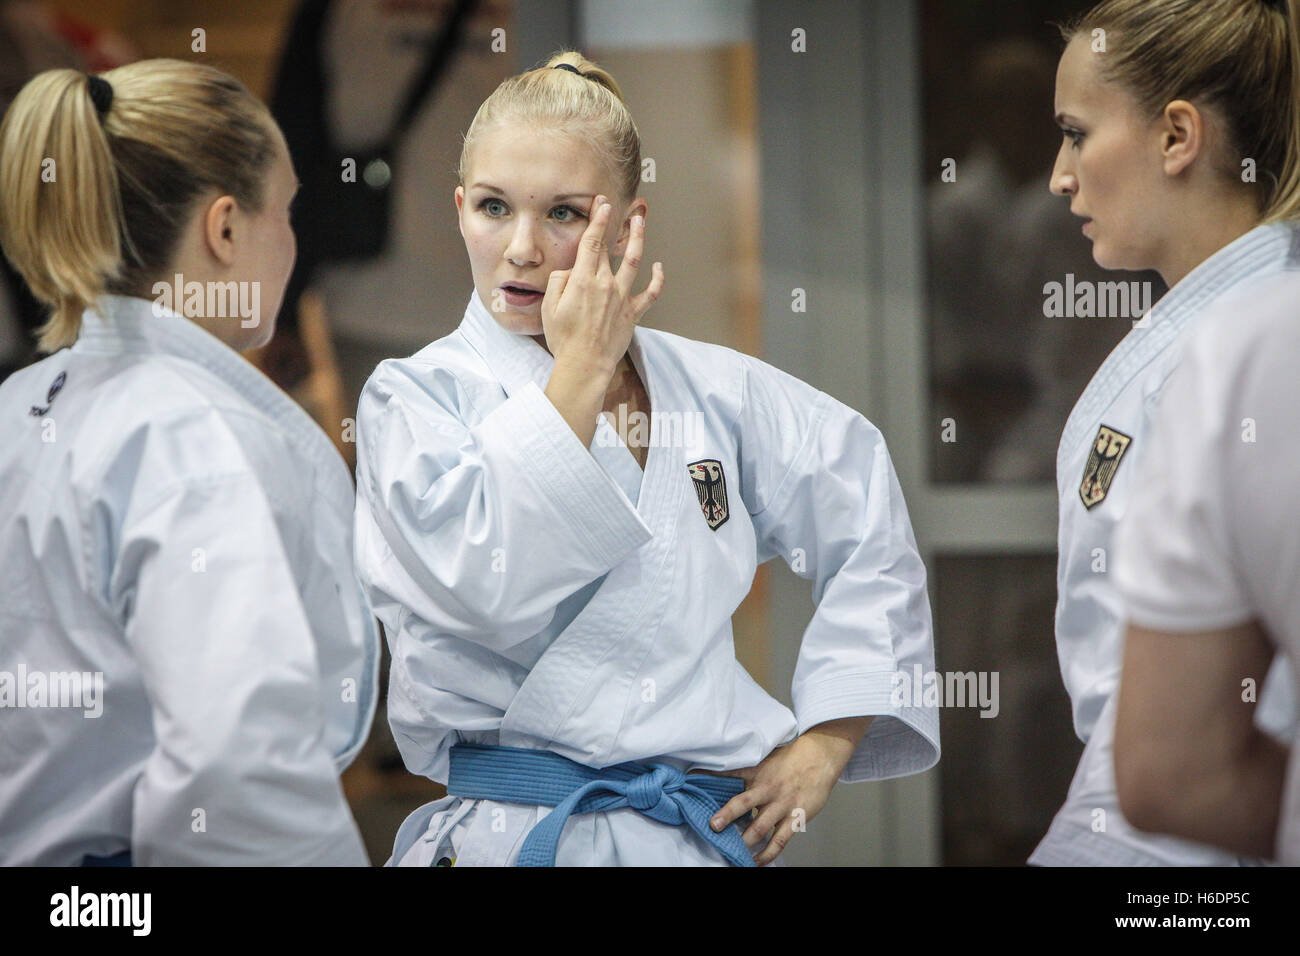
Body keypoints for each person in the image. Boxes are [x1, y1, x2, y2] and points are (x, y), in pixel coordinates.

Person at [354, 51, 940, 867]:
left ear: (627, 225)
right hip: (513, 833)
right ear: (459, 210)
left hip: (689, 836)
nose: (521, 248)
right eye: (494, 206)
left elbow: (864, 506)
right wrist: (582, 371)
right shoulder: (414, 398)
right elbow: (480, 586)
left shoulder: (714, 389)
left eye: (563, 213)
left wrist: (829, 740)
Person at [0, 60, 379, 865]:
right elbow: (237, 774)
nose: (293, 241)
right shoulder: (193, 439)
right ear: (226, 228)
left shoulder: (21, 408)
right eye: (288, 211)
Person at [1030, 0, 1299, 867]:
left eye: (1076, 134)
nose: (1058, 176)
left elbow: (1169, 762)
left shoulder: (1244, 348)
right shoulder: (1226, 328)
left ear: (1178, 136)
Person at [1110, 267, 1300, 864]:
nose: (1063, 181)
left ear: (1178, 162)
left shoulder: (1252, 348)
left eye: (1078, 161)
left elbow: (1177, 778)